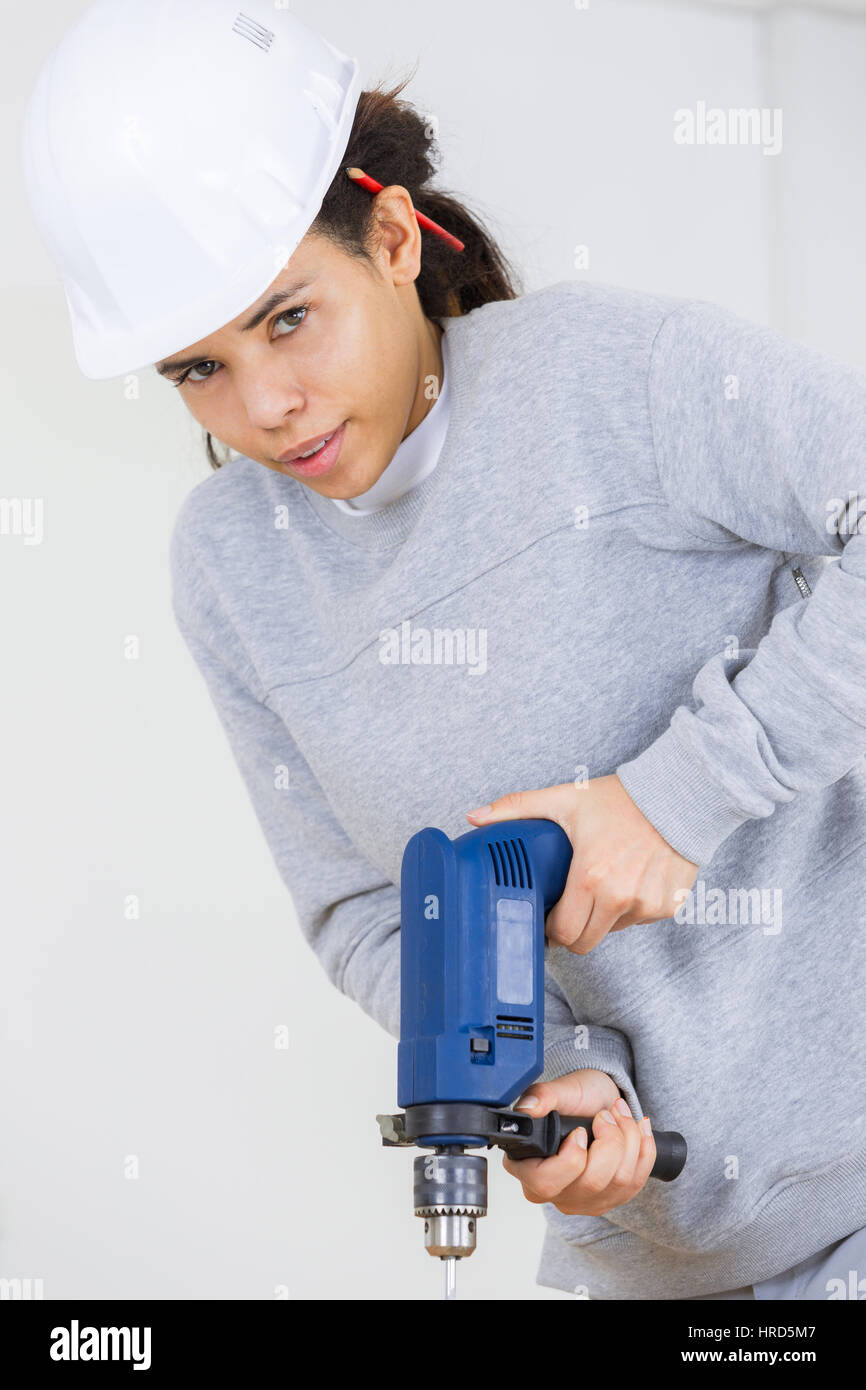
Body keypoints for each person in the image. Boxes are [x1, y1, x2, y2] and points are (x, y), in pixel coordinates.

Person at [21, 0, 866, 1302]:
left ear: (395, 238)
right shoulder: (228, 565)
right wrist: (550, 1069)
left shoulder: (609, 379)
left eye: (289, 318)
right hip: (647, 1261)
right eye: (198, 368)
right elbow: (366, 908)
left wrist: (676, 795)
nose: (263, 406)